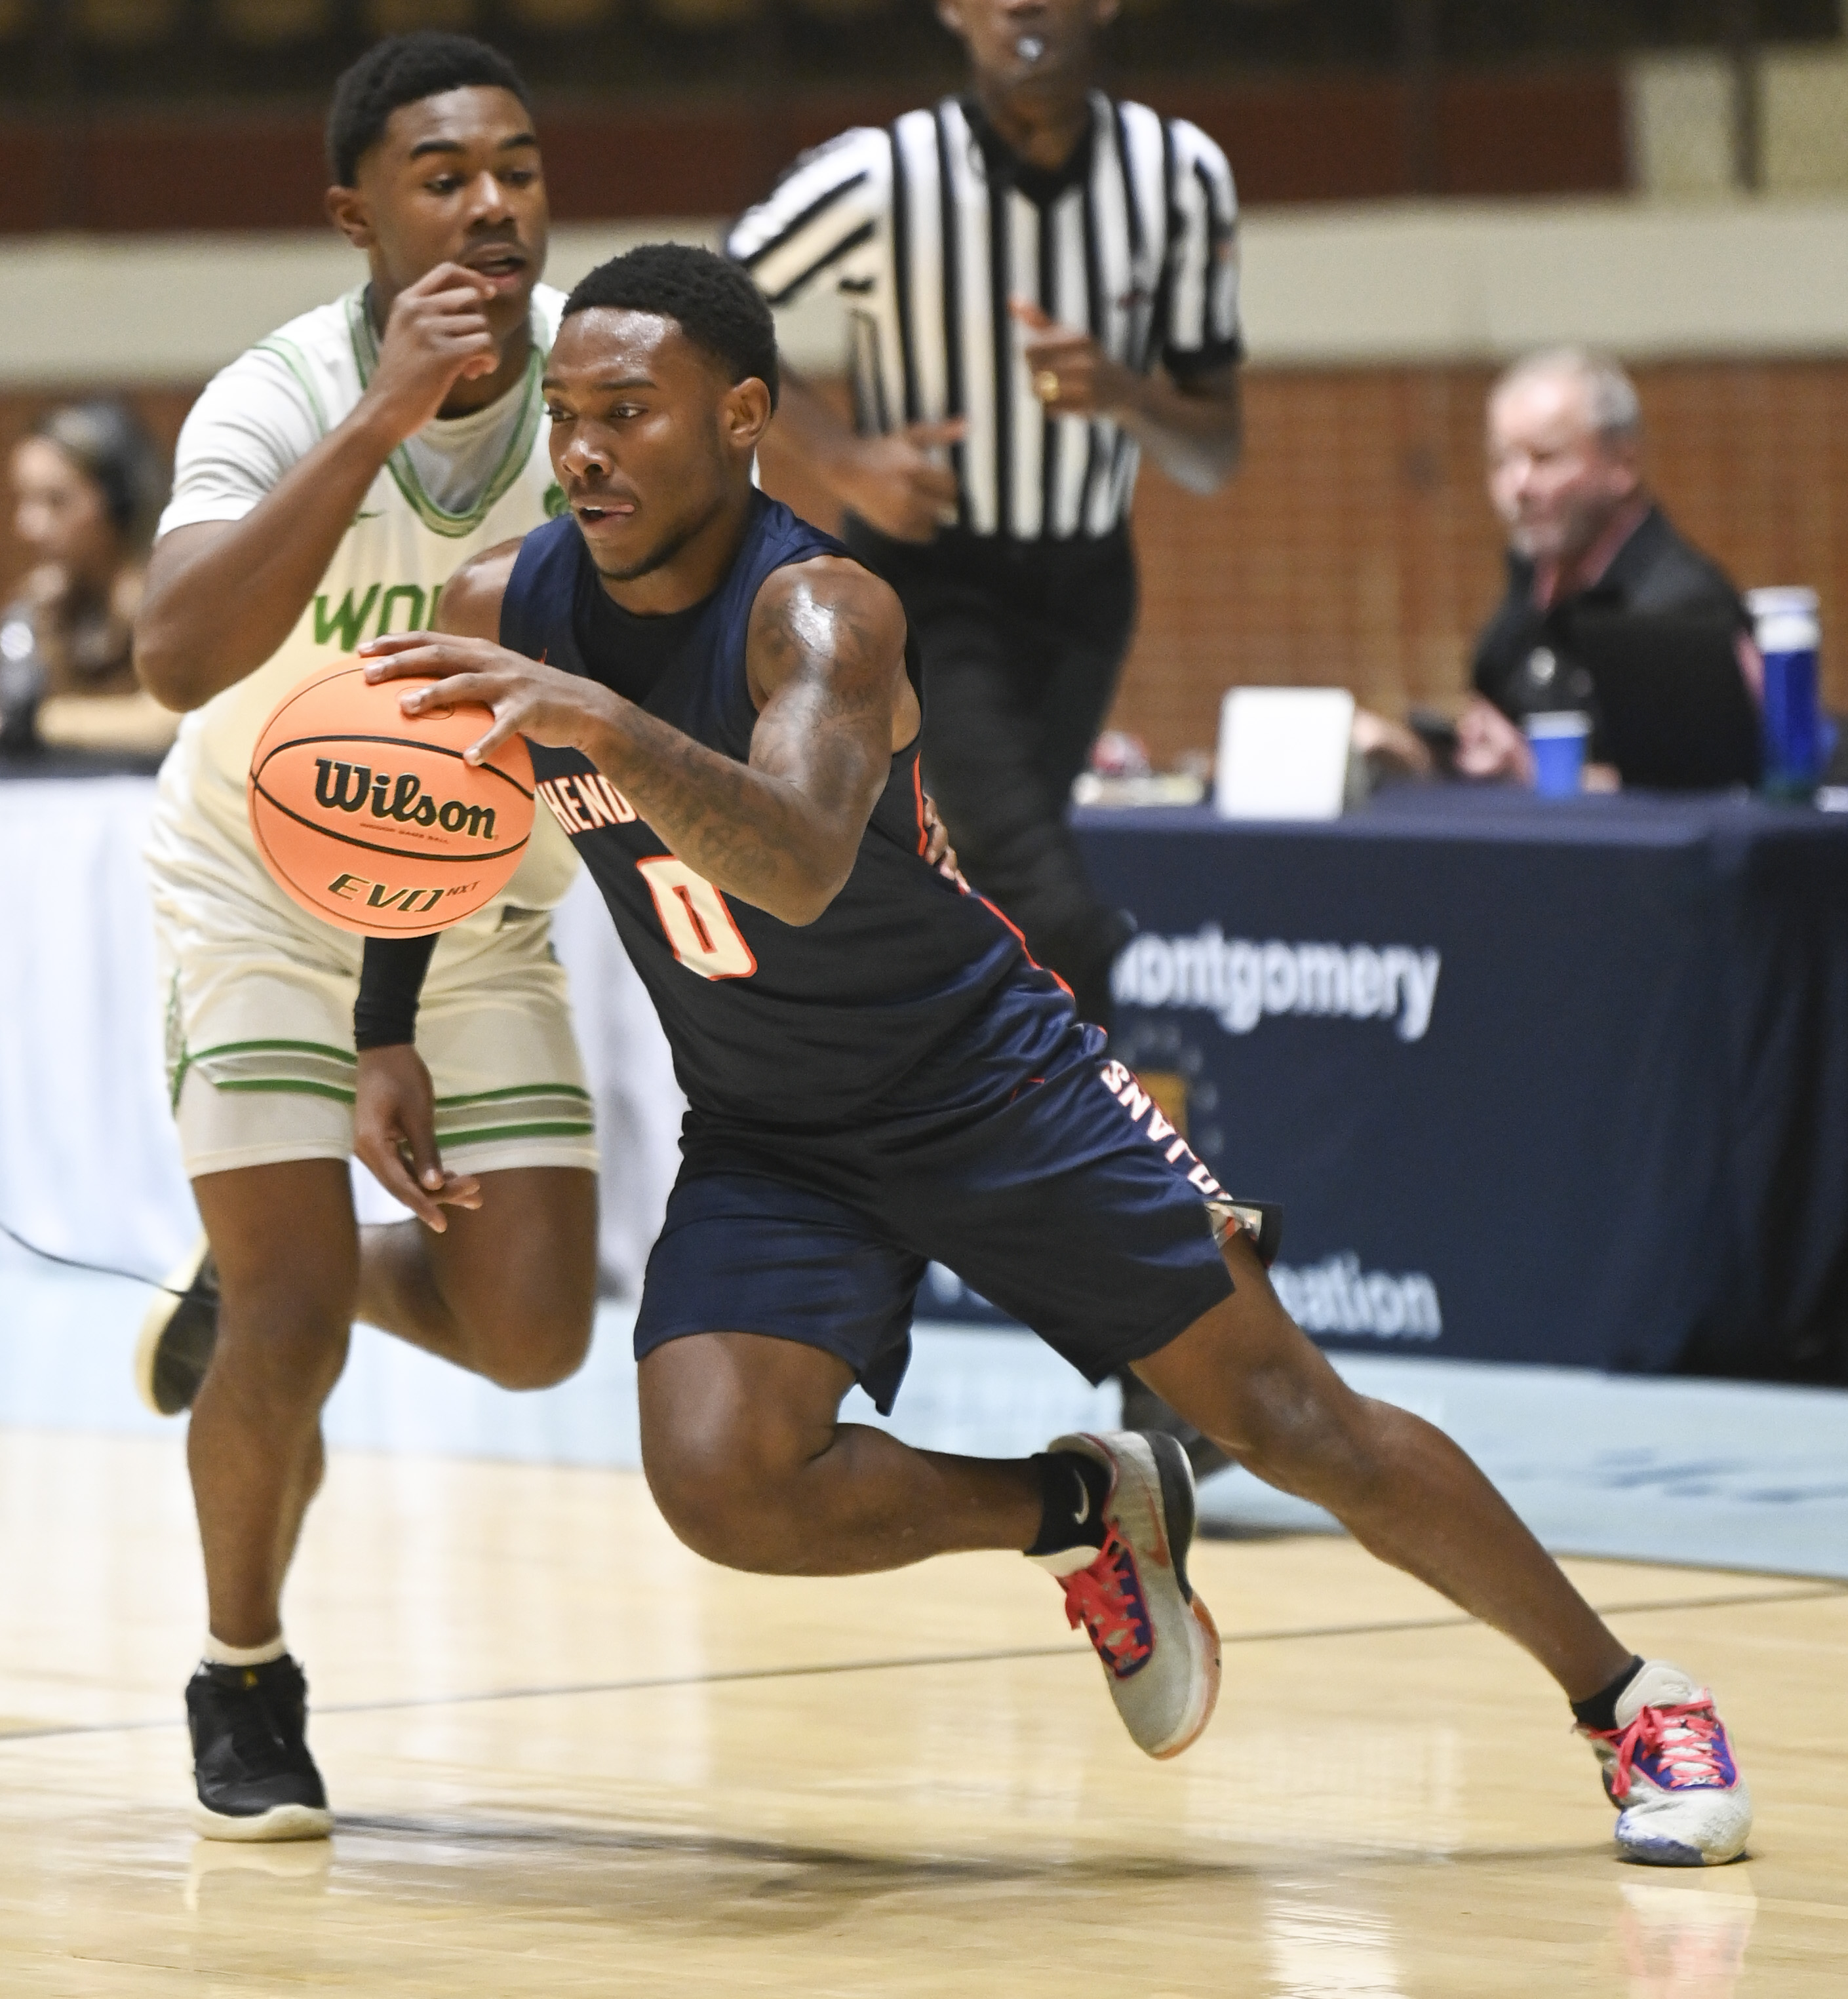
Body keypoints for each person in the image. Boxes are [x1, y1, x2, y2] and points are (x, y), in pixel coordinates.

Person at [355, 244, 1753, 1868]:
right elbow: (425, 817)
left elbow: (799, 855)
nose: (583, 449)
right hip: (771, 1125)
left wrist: (595, 723)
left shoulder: (822, 611)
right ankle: (1080, 1509)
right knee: (720, 1475)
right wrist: (384, 1029)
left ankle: (1628, 1693)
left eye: (628, 412)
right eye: (566, 412)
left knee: (1297, 1420)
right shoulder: (501, 606)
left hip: (984, 1082)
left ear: (741, 417)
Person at [129, 32, 604, 1842]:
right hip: (261, 880)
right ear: (356, 217)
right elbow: (173, 659)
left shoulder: (600, 386)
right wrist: (378, 423)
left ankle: (263, 1278)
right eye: (442, 174)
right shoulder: (271, 396)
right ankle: (242, 1673)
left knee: (538, 1329)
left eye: (519, 165)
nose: (492, 201)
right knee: (296, 1321)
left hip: (475, 909)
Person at [722, 0, 1242, 1035]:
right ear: (953, 9)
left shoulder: (1178, 172)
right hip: (926, 583)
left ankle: (948, 1135)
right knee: (1052, 909)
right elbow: (705, 305)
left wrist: (1129, 394)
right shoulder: (883, 172)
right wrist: (842, 456)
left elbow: (1214, 447)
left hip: (1089, 587)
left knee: (983, 893)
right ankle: (1103, 1172)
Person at [1457, 347, 1753, 786]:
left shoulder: (1679, 607)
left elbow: (1705, 795)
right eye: (1502, 462)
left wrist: (1537, 773)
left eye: (1544, 458)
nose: (1517, 487)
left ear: (1622, 464)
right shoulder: (1526, 590)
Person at [1, 402, 175, 756]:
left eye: (56, 501)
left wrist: (44, 721)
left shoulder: (168, 600)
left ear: (118, 503)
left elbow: (172, 723)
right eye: (25, 500)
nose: (28, 527)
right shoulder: (44, 604)